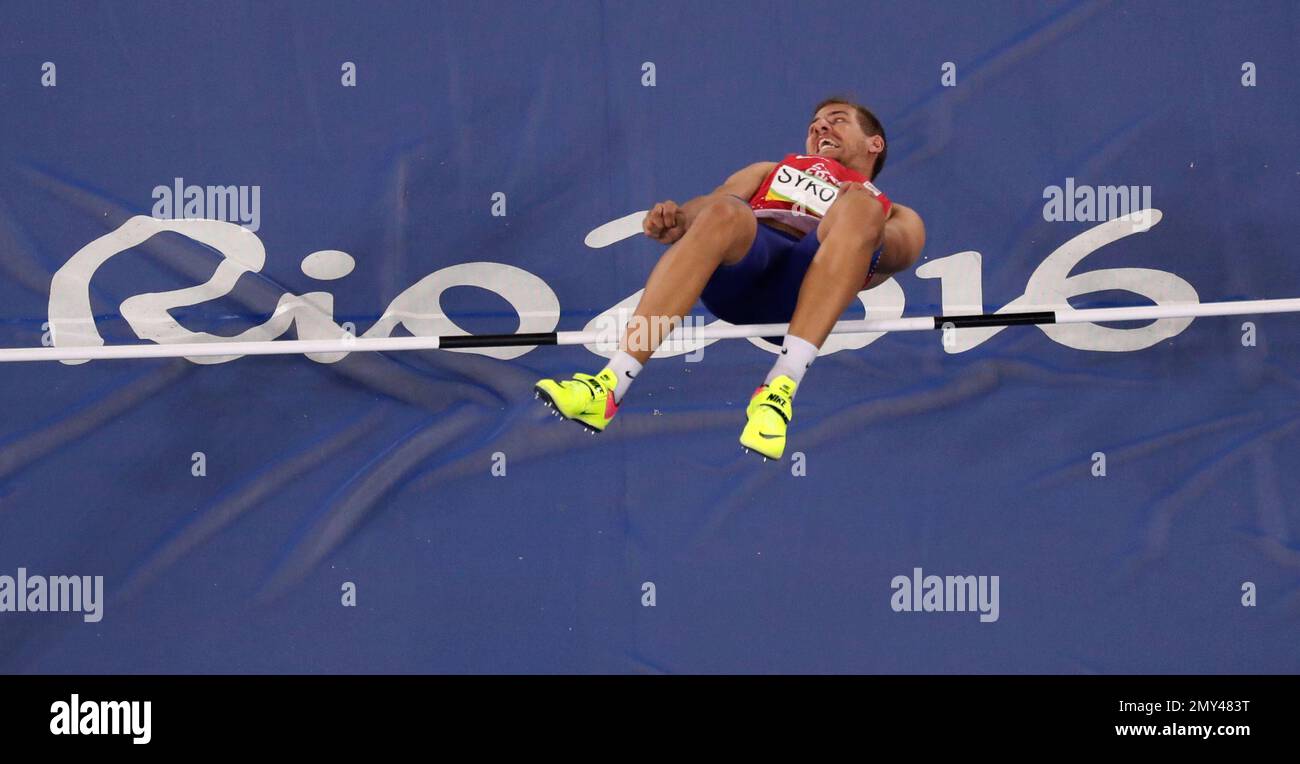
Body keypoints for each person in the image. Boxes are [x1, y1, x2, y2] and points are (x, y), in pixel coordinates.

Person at [535, 97, 926, 460]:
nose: (821, 128)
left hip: (802, 300)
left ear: (875, 144)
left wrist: (860, 214)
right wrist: (678, 220)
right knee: (726, 210)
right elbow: (709, 204)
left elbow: (896, 253)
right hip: (740, 277)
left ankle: (778, 392)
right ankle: (608, 385)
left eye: (837, 121)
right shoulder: (769, 172)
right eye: (815, 125)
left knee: (860, 207)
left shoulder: (896, 214)